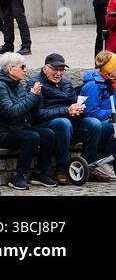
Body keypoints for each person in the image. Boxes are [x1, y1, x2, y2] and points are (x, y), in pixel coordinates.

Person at [30, 52, 114, 183]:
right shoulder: (35, 83)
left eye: (61, 70)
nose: (58, 73)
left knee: (94, 123)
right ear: (45, 68)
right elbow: (37, 114)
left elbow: (73, 103)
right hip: (44, 124)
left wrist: (78, 110)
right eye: (55, 69)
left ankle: (88, 166)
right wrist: (67, 111)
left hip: (68, 121)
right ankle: (61, 169)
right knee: (63, 123)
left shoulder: (66, 82)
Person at [0, 52, 55, 190]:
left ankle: (39, 173)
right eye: (22, 67)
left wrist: (37, 97)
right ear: (10, 70)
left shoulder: (17, 84)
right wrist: (33, 96)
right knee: (31, 137)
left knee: (49, 134)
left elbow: (28, 112)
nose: (25, 70)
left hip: (17, 127)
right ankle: (18, 176)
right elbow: (13, 112)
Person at [79, 52, 116, 180]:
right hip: (95, 125)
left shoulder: (112, 83)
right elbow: (91, 112)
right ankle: (105, 162)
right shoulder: (93, 85)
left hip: (109, 121)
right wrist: (112, 114)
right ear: (109, 70)